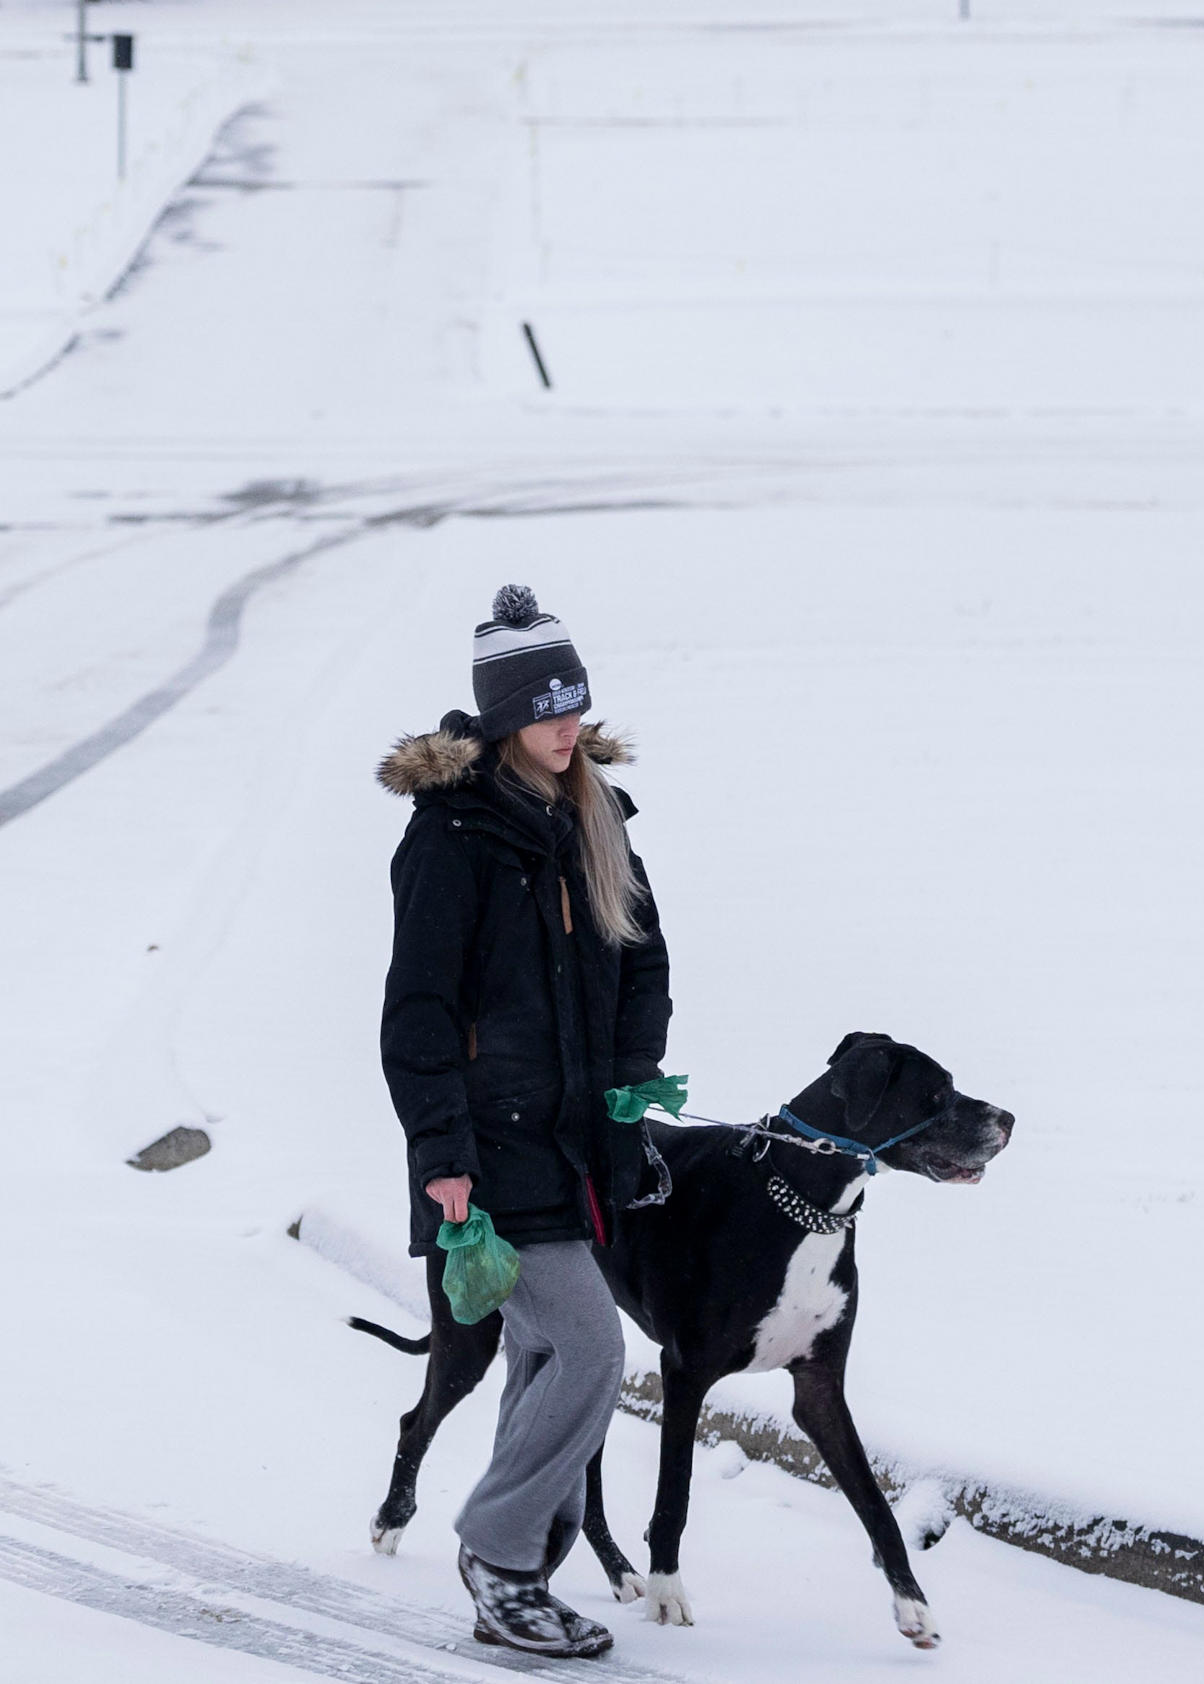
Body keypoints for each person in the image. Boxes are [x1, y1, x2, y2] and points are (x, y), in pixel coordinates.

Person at [378, 584, 671, 1660]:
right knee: (590, 1346)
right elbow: (417, 1013)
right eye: (548, 707)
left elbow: (643, 959)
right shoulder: (451, 838)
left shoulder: (593, 817)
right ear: (503, 717)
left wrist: (630, 1091)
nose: (569, 724)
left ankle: (515, 1574)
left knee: (547, 1354)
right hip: (490, 1143)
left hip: (578, 1137)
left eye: (578, 704)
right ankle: (500, 1551)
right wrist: (442, 1156)